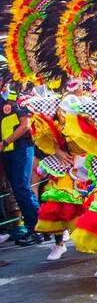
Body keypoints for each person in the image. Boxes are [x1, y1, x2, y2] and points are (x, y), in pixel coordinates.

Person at [1, 84, 43, 246]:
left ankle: (34, 229)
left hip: (21, 148)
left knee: (21, 188)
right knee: (19, 189)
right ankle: (38, 227)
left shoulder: (17, 98)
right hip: (7, 151)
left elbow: (25, 125)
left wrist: (5, 142)